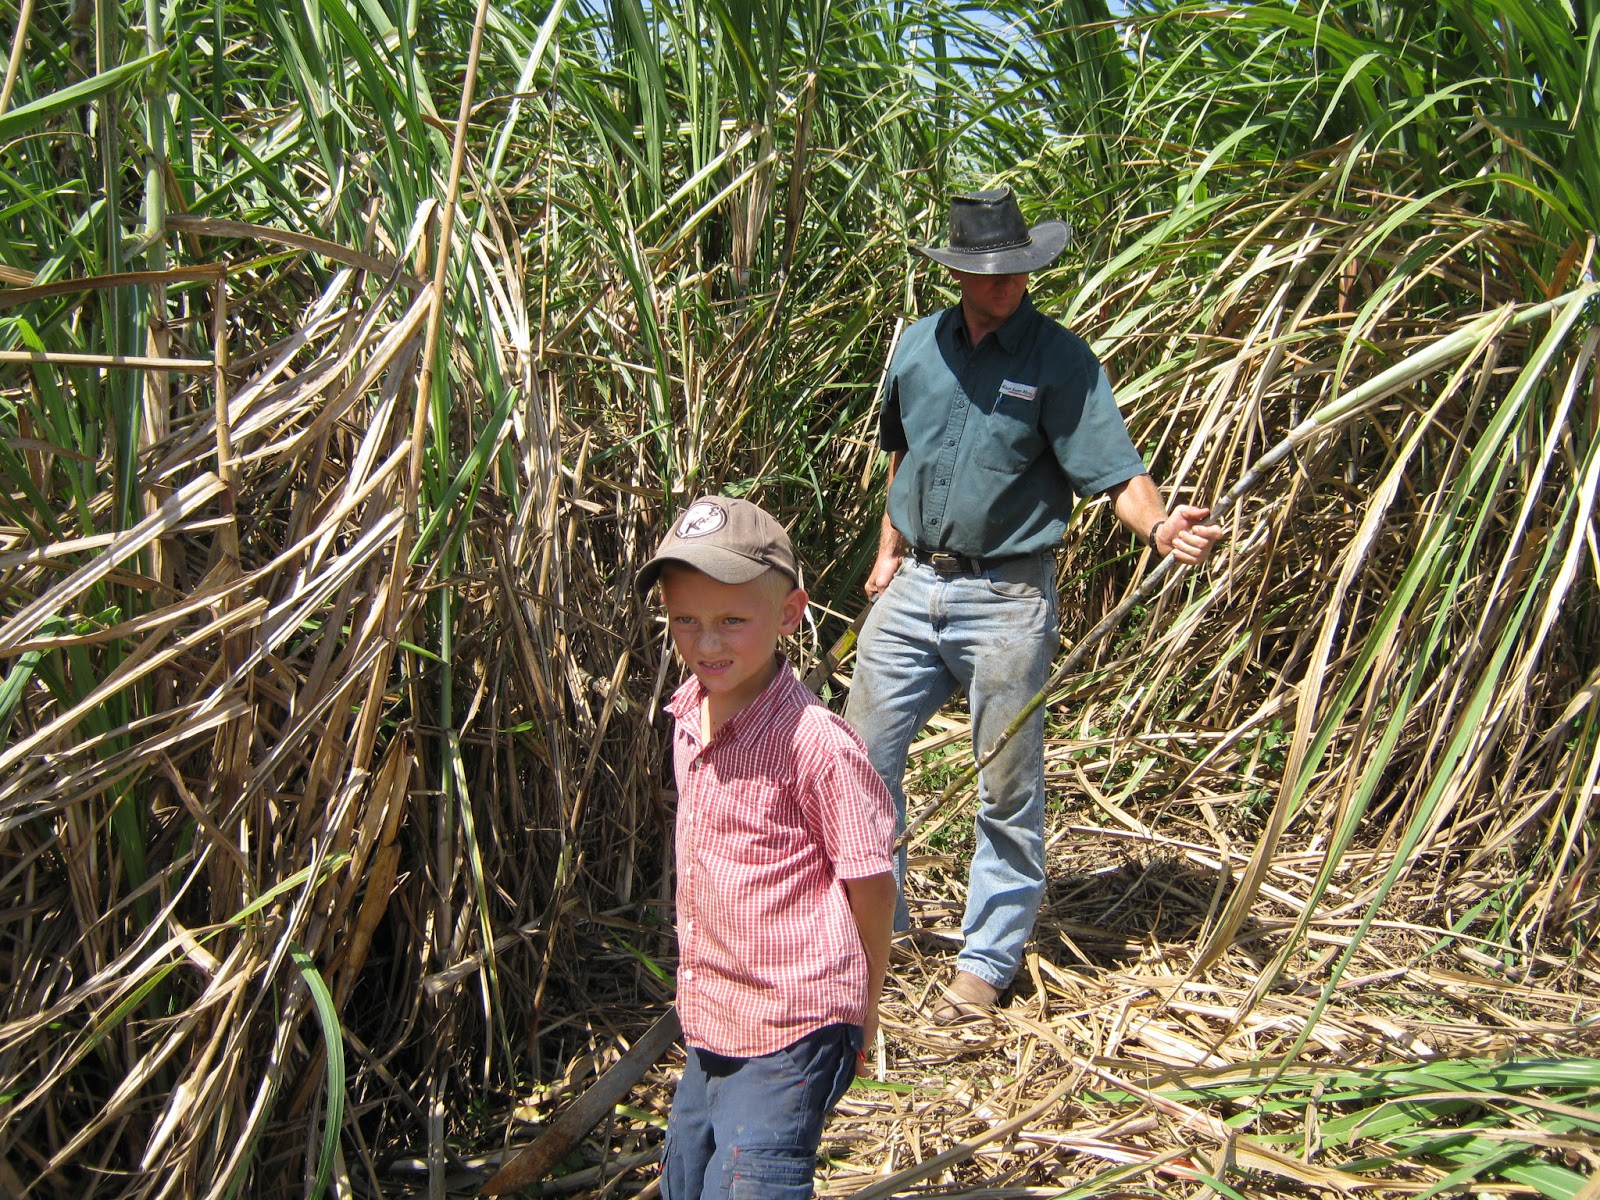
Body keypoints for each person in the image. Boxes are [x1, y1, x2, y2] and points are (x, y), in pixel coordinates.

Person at [844, 188, 1224, 1023]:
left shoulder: (1062, 362)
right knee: (861, 766)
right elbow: (901, 454)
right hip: (913, 589)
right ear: (957, 272)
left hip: (1008, 597)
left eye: (1018, 269)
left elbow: (1116, 474)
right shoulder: (916, 347)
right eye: (989, 272)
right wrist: (886, 554)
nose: (1007, 283)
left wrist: (1159, 526)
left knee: (1005, 785)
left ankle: (984, 963)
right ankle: (881, 933)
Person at [637, 495, 898, 1200]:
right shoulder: (688, 716)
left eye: (731, 621)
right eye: (685, 620)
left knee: (754, 1185)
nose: (705, 644)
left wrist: (864, 1009)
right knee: (685, 1180)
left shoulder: (816, 746)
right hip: (715, 1013)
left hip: (794, 1024)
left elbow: (871, 884)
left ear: (788, 615)